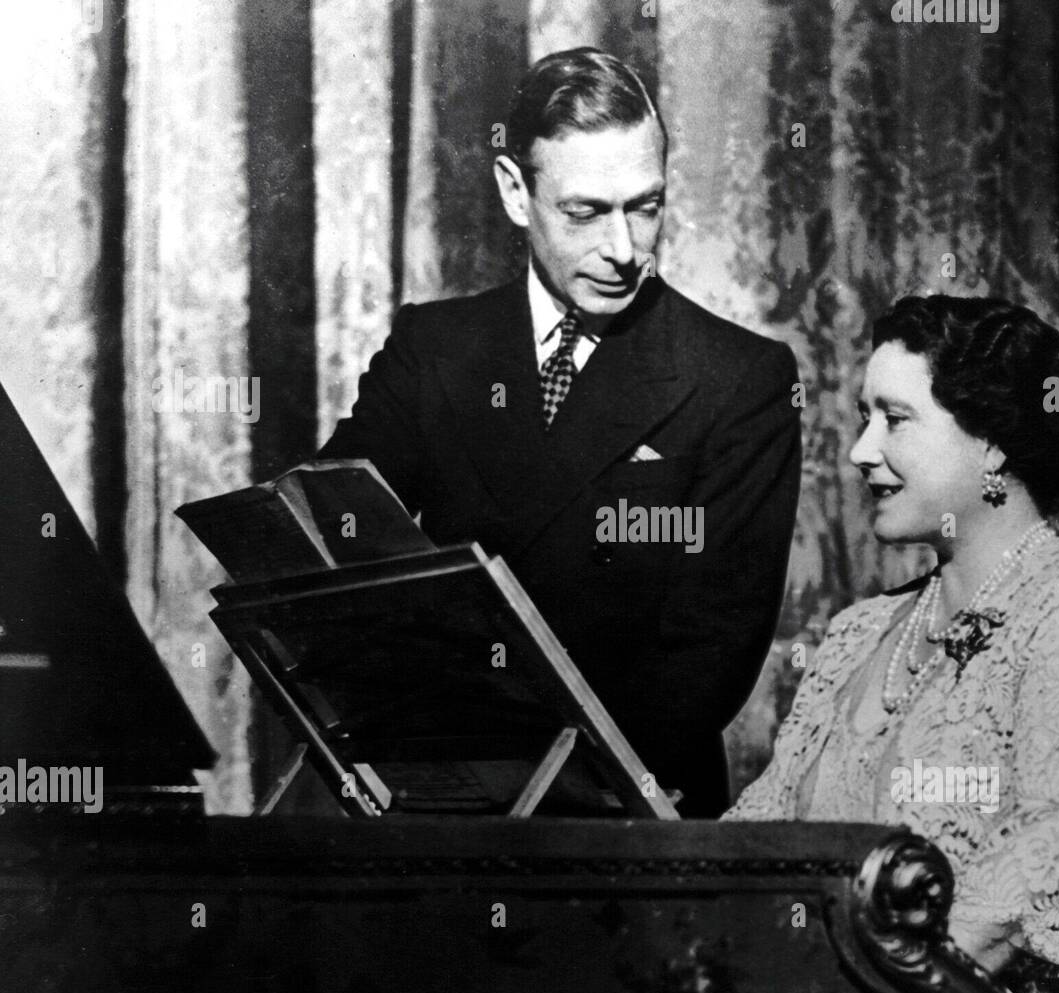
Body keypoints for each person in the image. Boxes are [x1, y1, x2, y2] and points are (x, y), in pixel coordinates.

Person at [317, 48, 802, 817]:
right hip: (440, 806)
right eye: (585, 212)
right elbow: (328, 531)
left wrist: (541, 787)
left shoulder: (740, 379)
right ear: (517, 192)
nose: (622, 250)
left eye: (644, 207)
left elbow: (712, 650)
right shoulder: (433, 348)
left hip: (624, 817)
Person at [724, 295, 1059, 993]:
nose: (862, 450)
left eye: (894, 420)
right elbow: (755, 849)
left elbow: (1031, 883)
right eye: (866, 417)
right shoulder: (857, 633)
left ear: (993, 444)